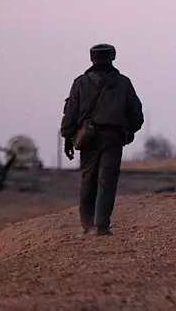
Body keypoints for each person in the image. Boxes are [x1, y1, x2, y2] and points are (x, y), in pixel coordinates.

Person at [60, 44, 144, 236]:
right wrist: (128, 132)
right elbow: (136, 115)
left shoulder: (80, 83)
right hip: (113, 137)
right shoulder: (123, 83)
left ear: (91, 59)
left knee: (88, 179)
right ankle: (101, 225)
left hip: (87, 137)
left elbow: (70, 114)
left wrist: (68, 138)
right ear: (113, 57)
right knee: (107, 180)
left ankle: (87, 224)